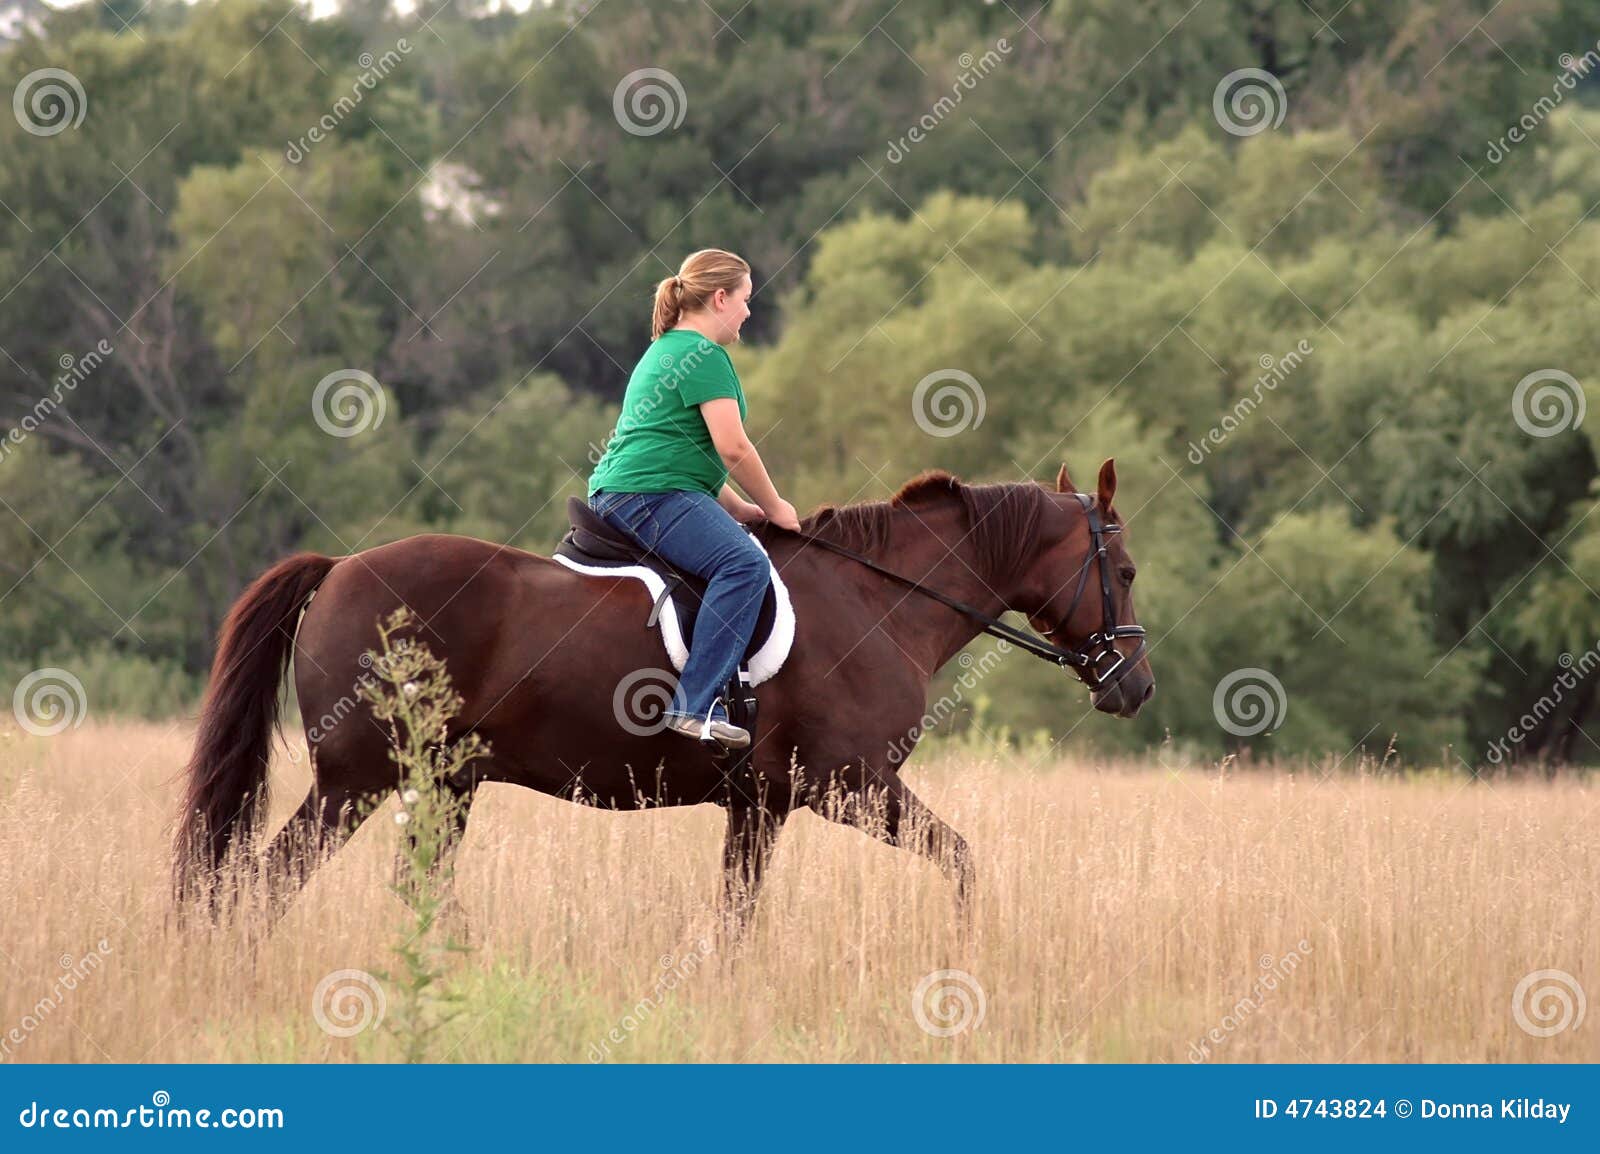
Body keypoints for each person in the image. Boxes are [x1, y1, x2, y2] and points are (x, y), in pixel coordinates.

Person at [587, 248, 801, 751]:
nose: (749, 312)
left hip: (634, 489)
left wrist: (735, 507)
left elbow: (680, 448)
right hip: (650, 495)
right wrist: (776, 507)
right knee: (744, 566)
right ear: (721, 298)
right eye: (746, 300)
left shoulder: (666, 349)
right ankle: (695, 706)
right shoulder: (706, 356)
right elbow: (732, 446)